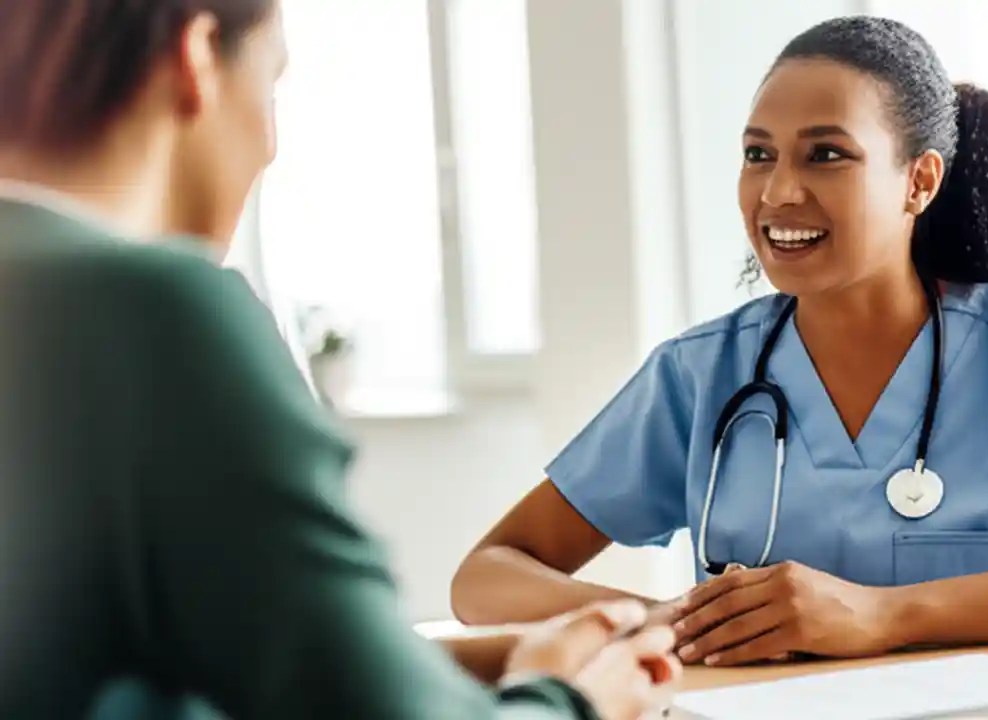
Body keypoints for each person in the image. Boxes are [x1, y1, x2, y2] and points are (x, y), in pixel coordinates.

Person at [452, 15, 988, 666]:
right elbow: (488, 576)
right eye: (758, 153)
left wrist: (884, 615)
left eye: (827, 154)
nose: (778, 191)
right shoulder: (701, 375)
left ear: (919, 182)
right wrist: (667, 622)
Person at [0, 2, 678, 718]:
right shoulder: (150, 310)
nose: (269, 143)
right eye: (273, 81)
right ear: (195, 55)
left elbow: (232, 644)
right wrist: (576, 701)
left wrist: (488, 658)